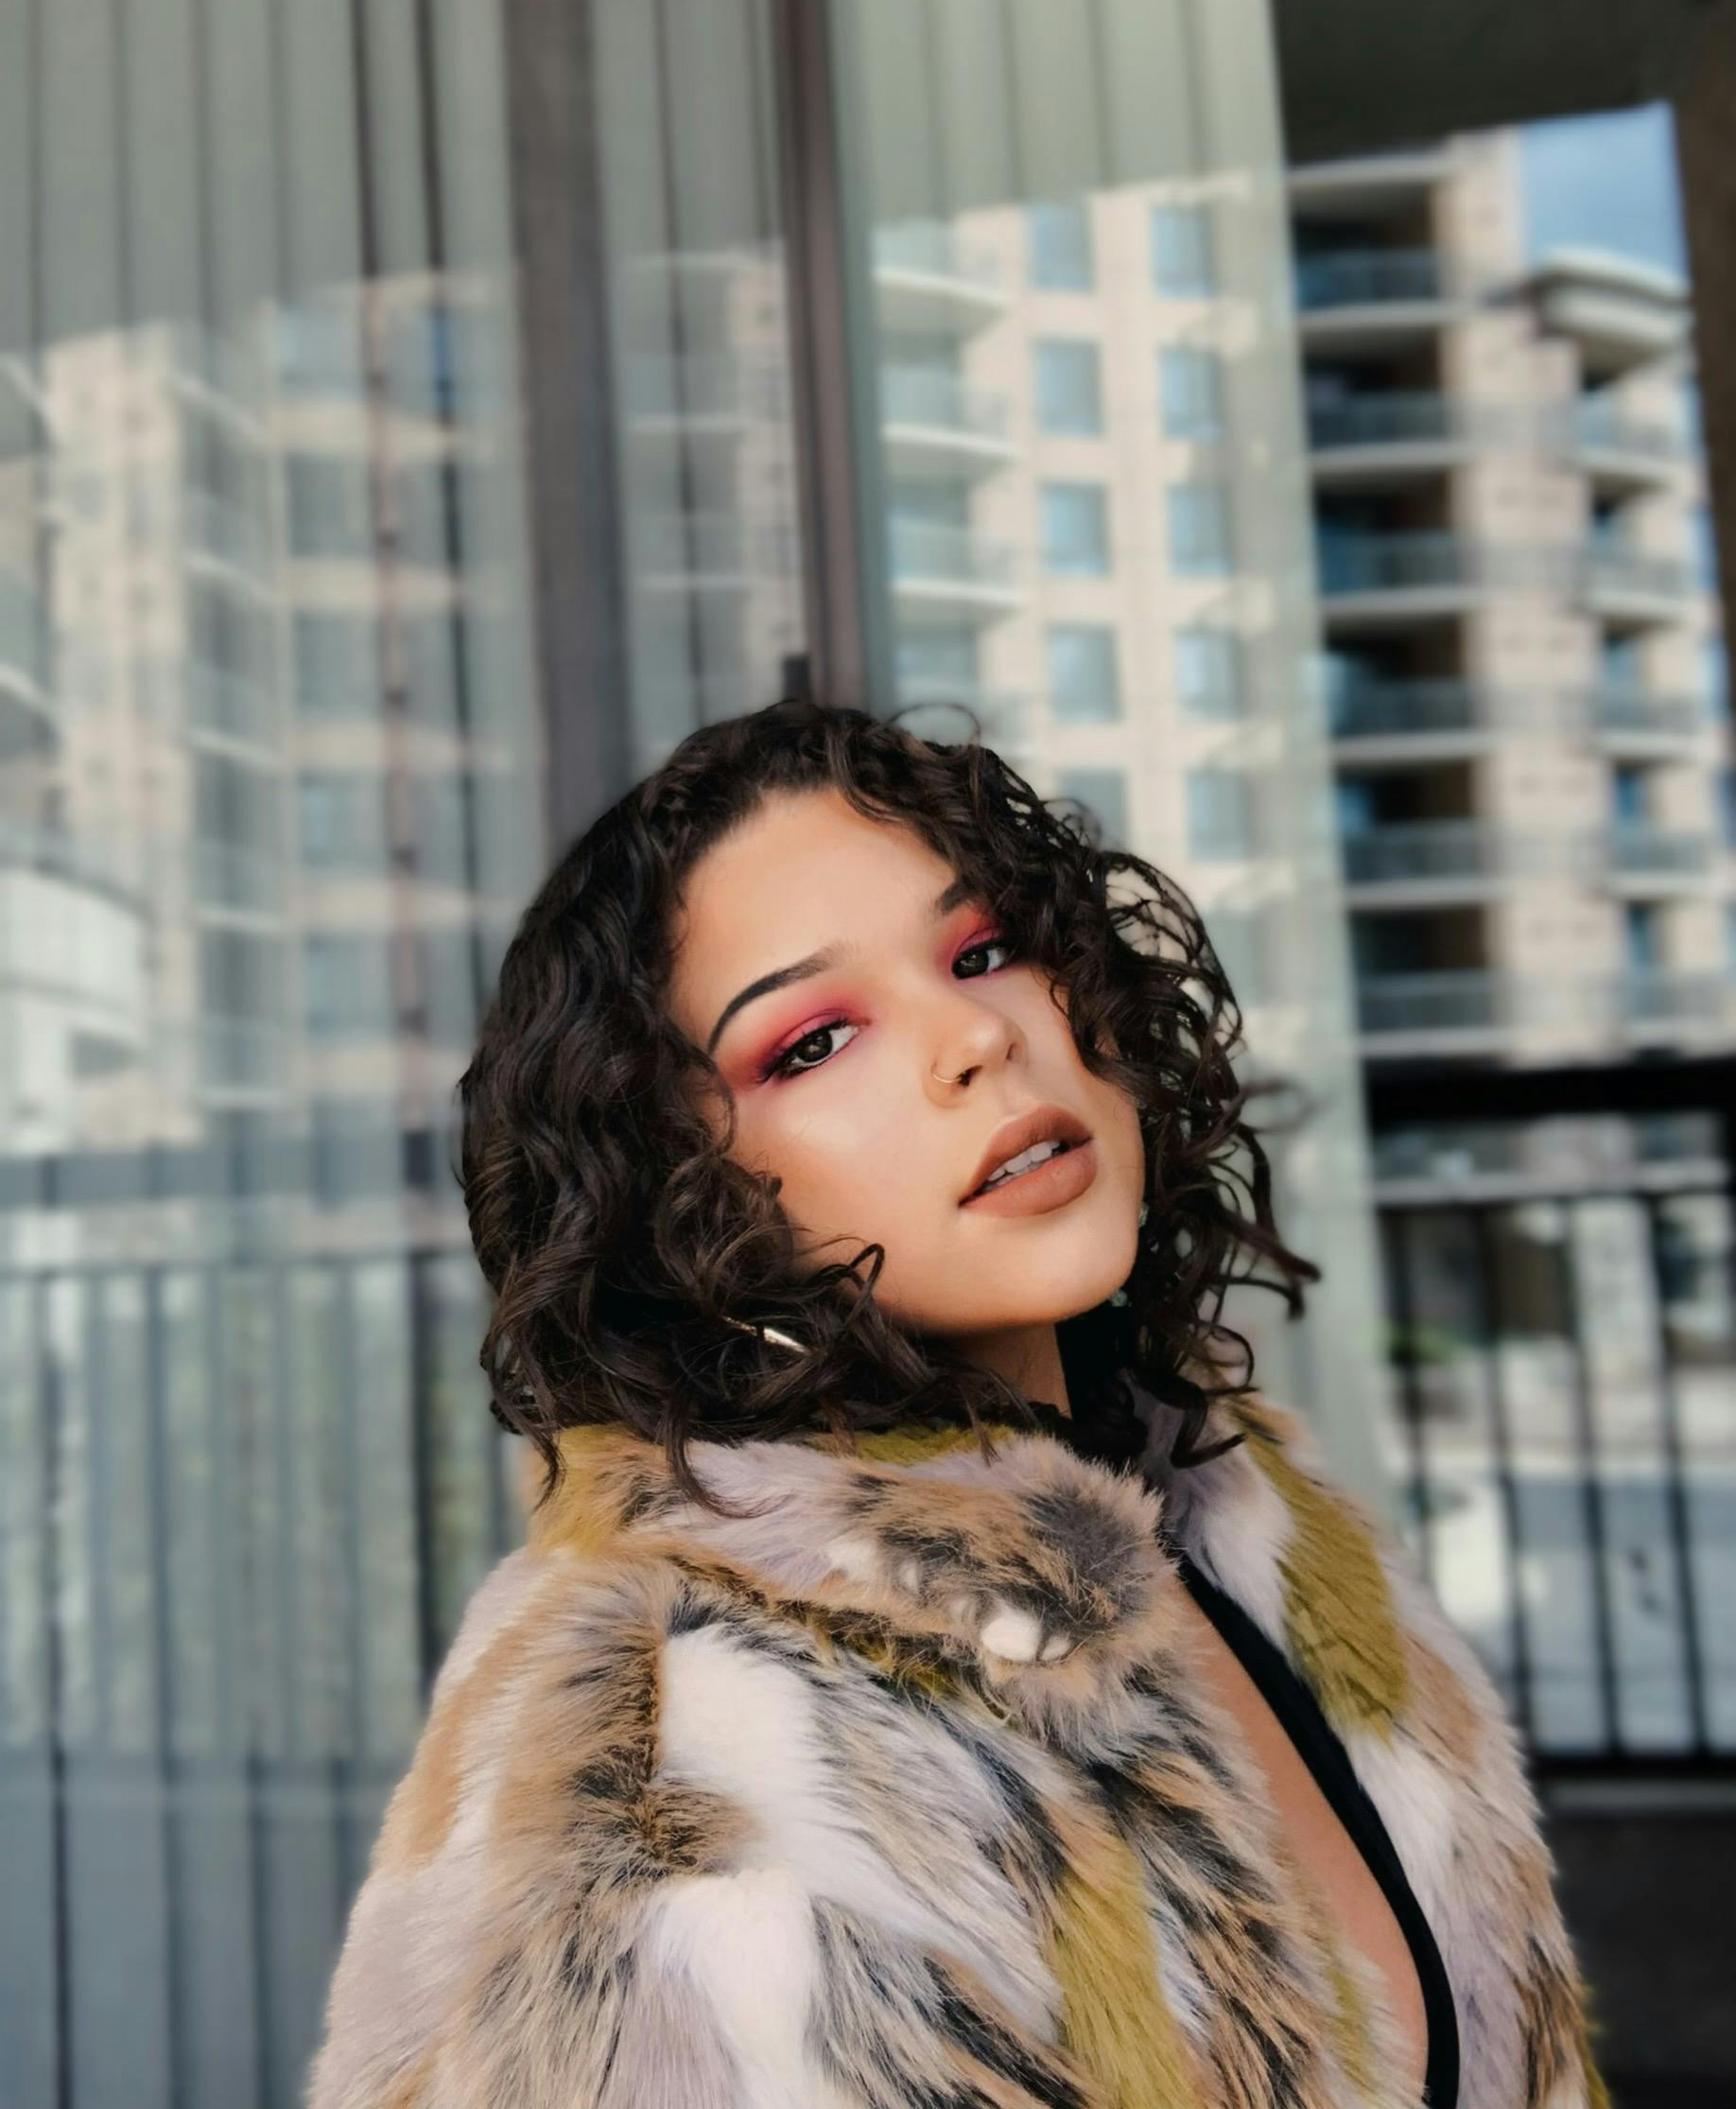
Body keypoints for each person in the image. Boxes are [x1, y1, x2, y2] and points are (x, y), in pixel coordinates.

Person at [305, 697, 1609, 2109]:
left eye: (983, 949)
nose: (975, 1037)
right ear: (676, 1197)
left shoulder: (1272, 1540)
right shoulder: (682, 1747)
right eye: (811, 1042)